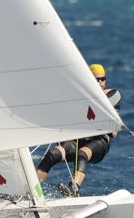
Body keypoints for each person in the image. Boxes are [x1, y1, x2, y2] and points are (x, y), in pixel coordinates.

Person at [35, 63, 122, 197]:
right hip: (78, 139)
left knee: (82, 154)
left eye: (102, 79)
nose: (100, 82)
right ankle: (31, 191)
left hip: (99, 141)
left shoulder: (113, 95)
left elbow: (101, 109)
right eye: (96, 79)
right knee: (53, 154)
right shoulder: (79, 95)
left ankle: (73, 190)